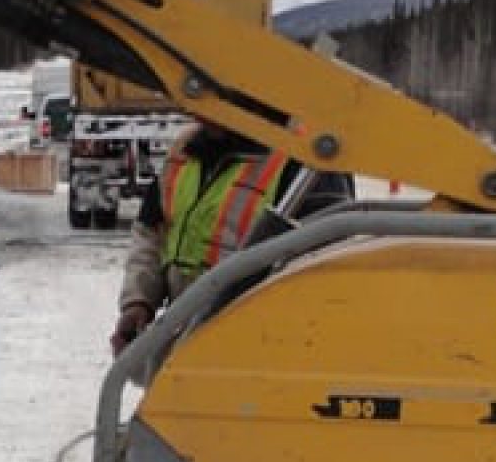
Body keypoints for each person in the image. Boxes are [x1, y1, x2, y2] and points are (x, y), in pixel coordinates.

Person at [110, 123, 353, 353]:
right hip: (185, 338)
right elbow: (151, 231)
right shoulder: (186, 149)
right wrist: (139, 302)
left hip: (260, 349)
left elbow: (323, 271)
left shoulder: (306, 162)